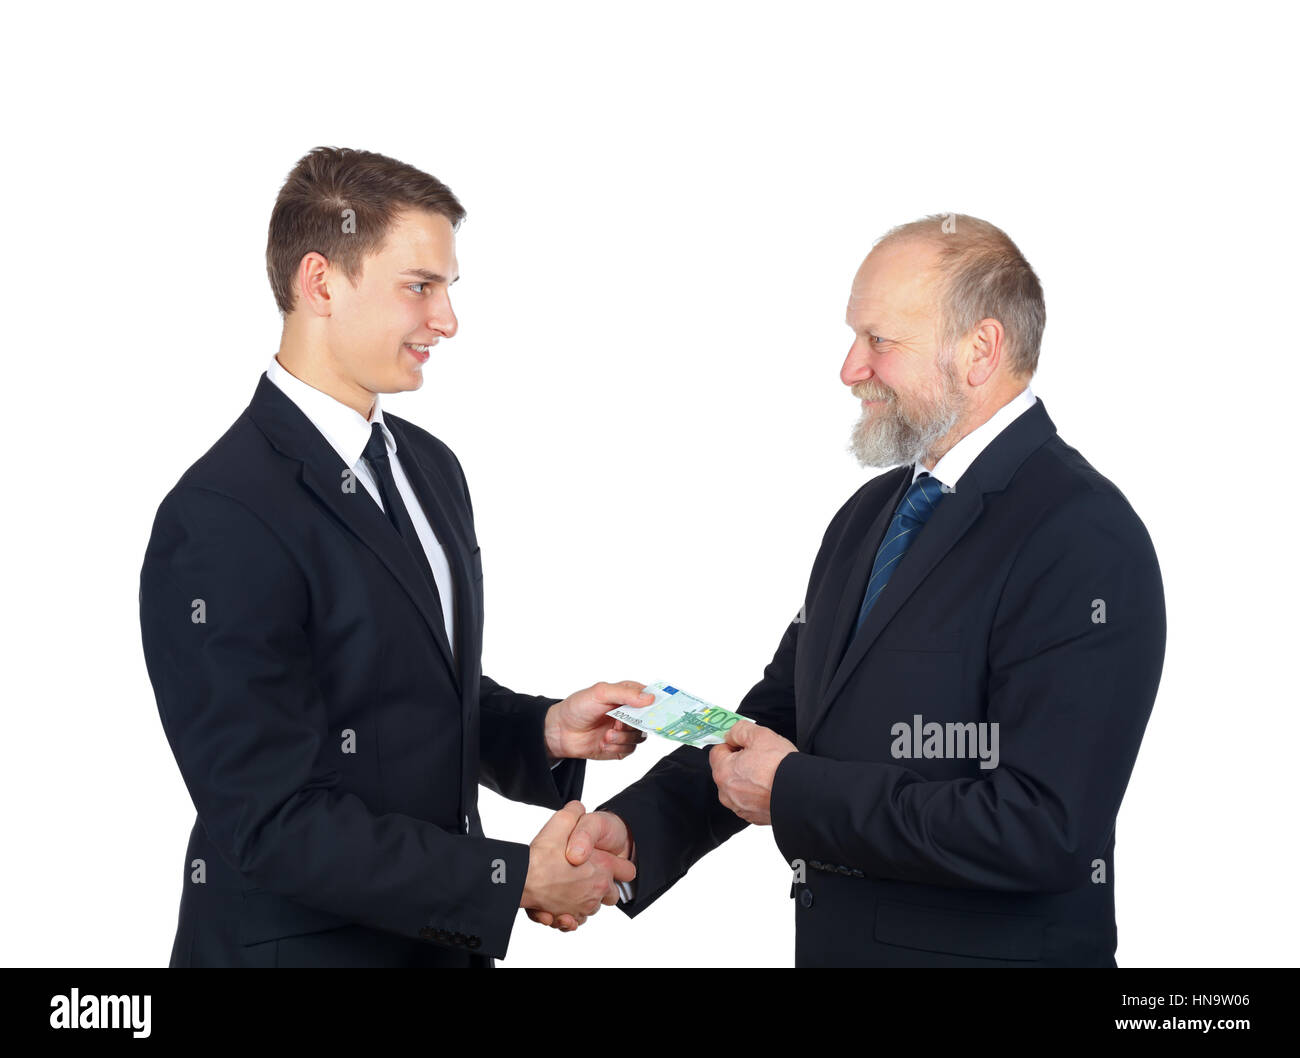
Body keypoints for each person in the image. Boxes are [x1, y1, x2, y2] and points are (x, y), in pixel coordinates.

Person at [542, 214, 1167, 967]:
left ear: (980, 350)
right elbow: (785, 718)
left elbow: (1042, 829)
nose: (849, 368)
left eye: (880, 340)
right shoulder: (873, 514)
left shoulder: (1080, 535)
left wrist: (797, 795)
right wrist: (639, 831)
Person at [139, 146, 646, 967]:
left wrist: (544, 730)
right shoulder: (218, 514)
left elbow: (401, 693)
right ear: (321, 283)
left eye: (448, 289)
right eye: (421, 286)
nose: (447, 320)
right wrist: (512, 880)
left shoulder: (429, 466)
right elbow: (270, 819)